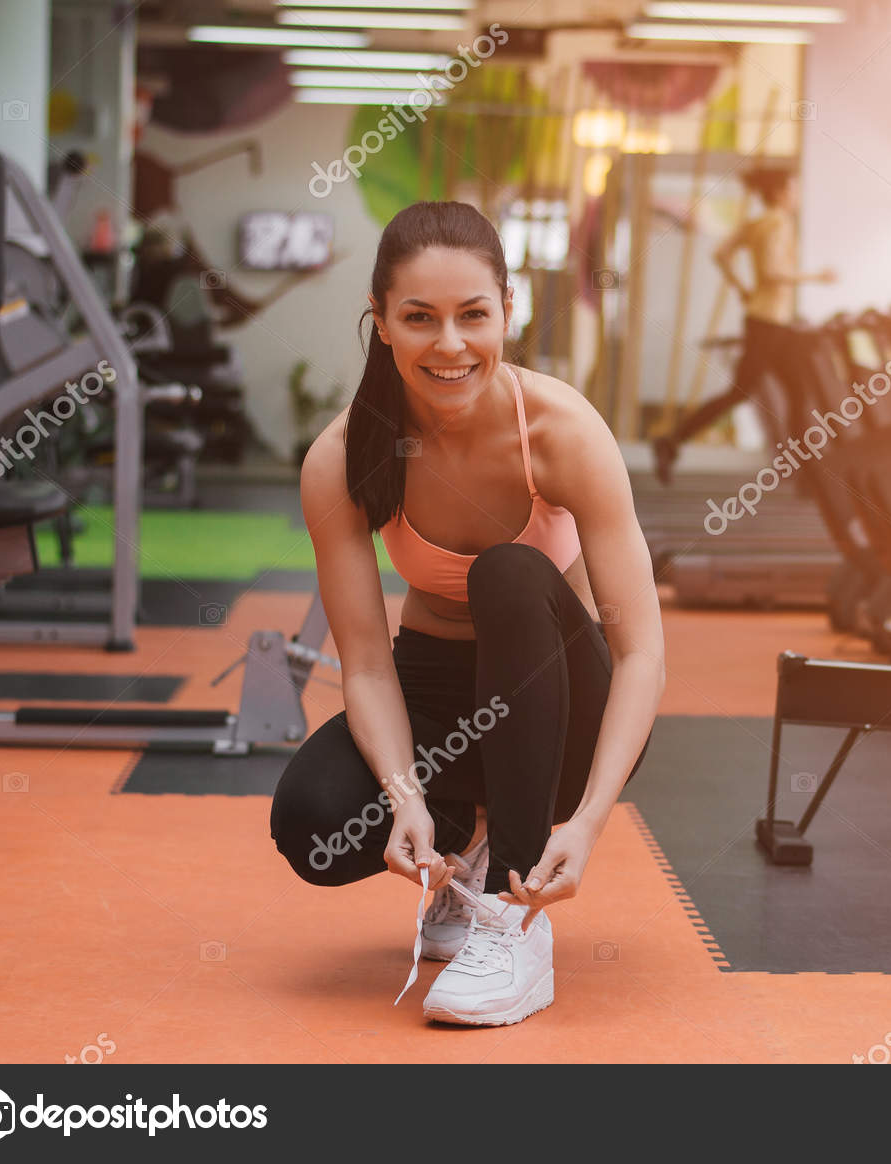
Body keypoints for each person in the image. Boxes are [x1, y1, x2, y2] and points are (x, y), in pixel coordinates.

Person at [269, 201, 664, 1027]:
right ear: (380, 323)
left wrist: (589, 823)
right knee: (316, 823)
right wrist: (403, 795)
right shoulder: (341, 458)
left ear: (507, 312)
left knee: (510, 575)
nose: (449, 345)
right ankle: (462, 859)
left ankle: (516, 918)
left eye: (472, 315)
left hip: (561, 708)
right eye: (419, 318)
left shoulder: (561, 432)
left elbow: (638, 655)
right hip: (437, 695)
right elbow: (370, 664)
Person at [652, 166, 836, 484]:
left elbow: (721, 254)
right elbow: (772, 273)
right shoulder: (778, 223)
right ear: (779, 194)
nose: (796, 196)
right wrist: (816, 277)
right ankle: (672, 440)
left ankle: (807, 471)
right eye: (792, 190)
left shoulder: (756, 223)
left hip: (770, 321)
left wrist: (741, 288)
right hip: (769, 323)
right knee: (744, 392)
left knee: (796, 388)